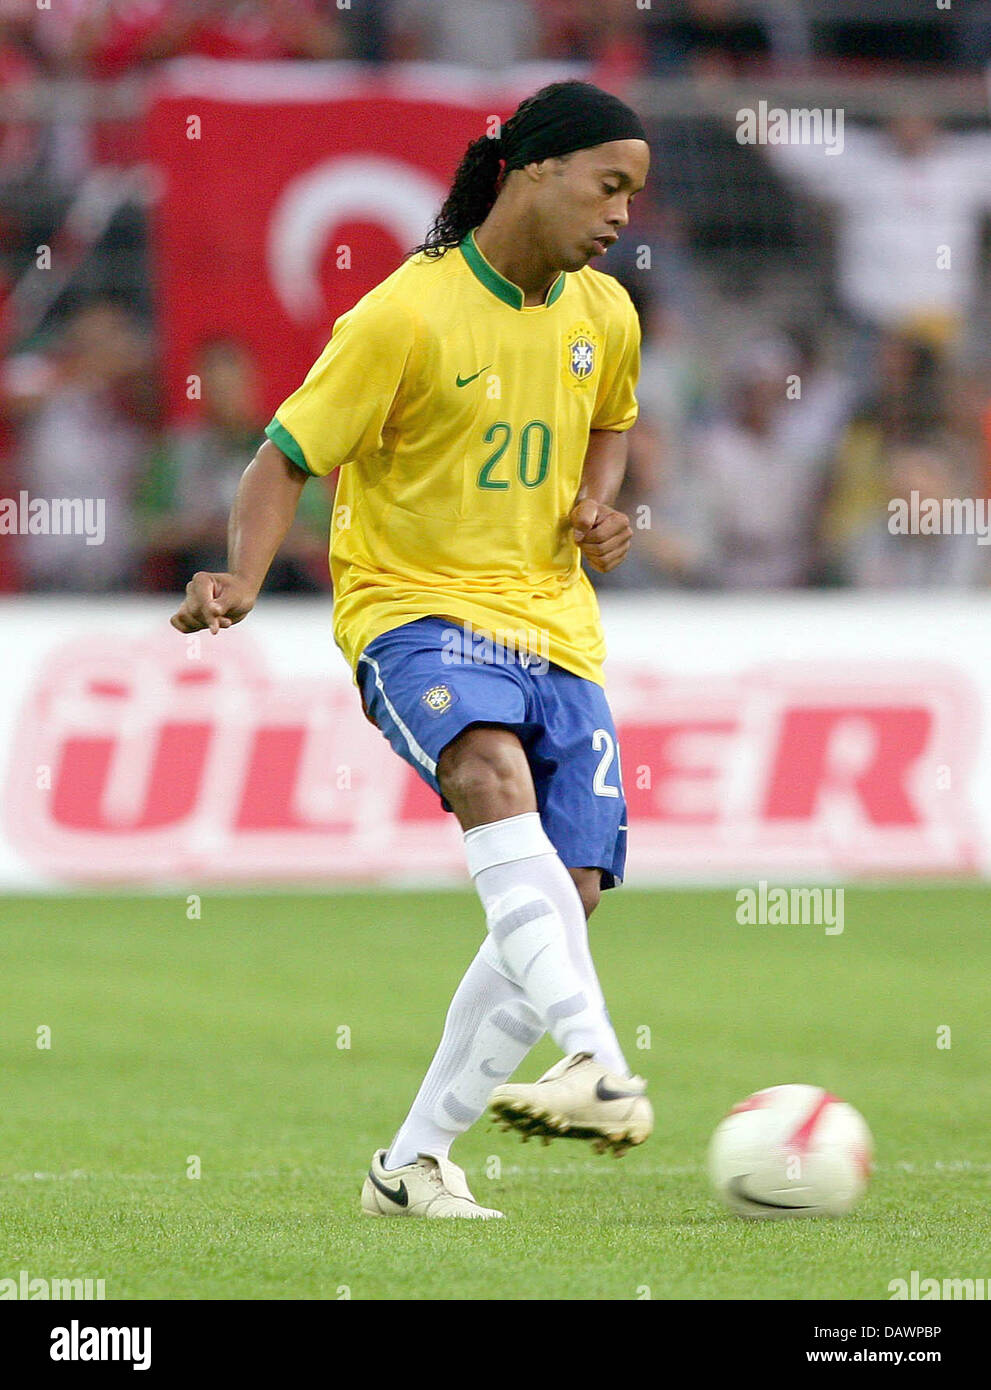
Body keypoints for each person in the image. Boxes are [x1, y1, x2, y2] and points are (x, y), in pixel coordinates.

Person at [171, 81, 654, 1220]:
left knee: (564, 902)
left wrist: (600, 506)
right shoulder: (405, 314)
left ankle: (411, 1163)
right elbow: (284, 454)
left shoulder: (604, 316)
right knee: (486, 774)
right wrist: (242, 576)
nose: (623, 213)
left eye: (634, 191)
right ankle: (594, 1058)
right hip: (414, 609)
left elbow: (612, 425)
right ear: (532, 171)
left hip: (558, 626)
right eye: (609, 184)